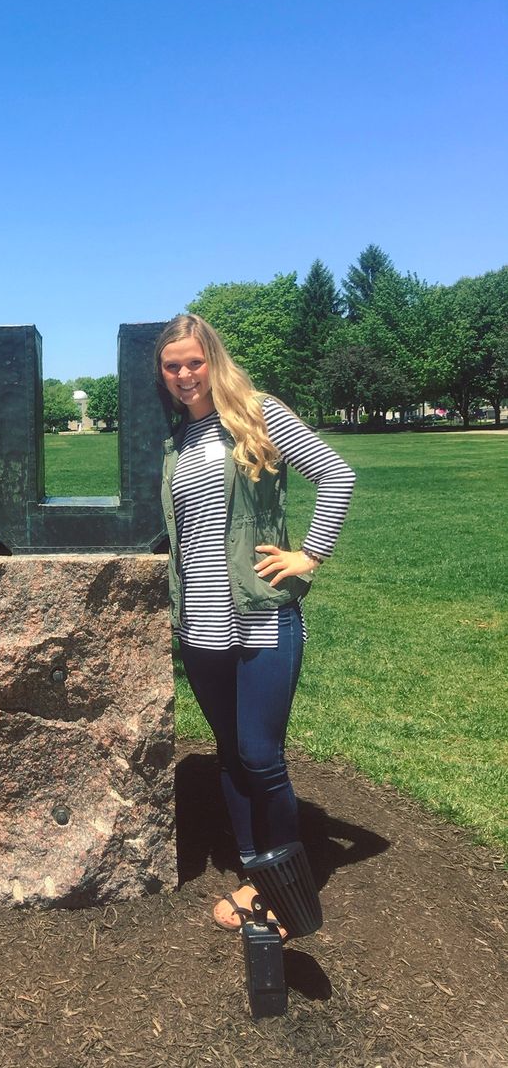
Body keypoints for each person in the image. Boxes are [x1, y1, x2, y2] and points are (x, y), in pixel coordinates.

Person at [156, 315, 355, 934]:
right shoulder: (178, 440)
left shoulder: (257, 413)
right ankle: (255, 872)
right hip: (202, 624)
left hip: (262, 615)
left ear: (213, 359)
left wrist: (309, 555)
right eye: (172, 366)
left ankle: (287, 892)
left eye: (194, 362)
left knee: (262, 757)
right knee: (232, 755)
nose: (185, 375)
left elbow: (337, 473)